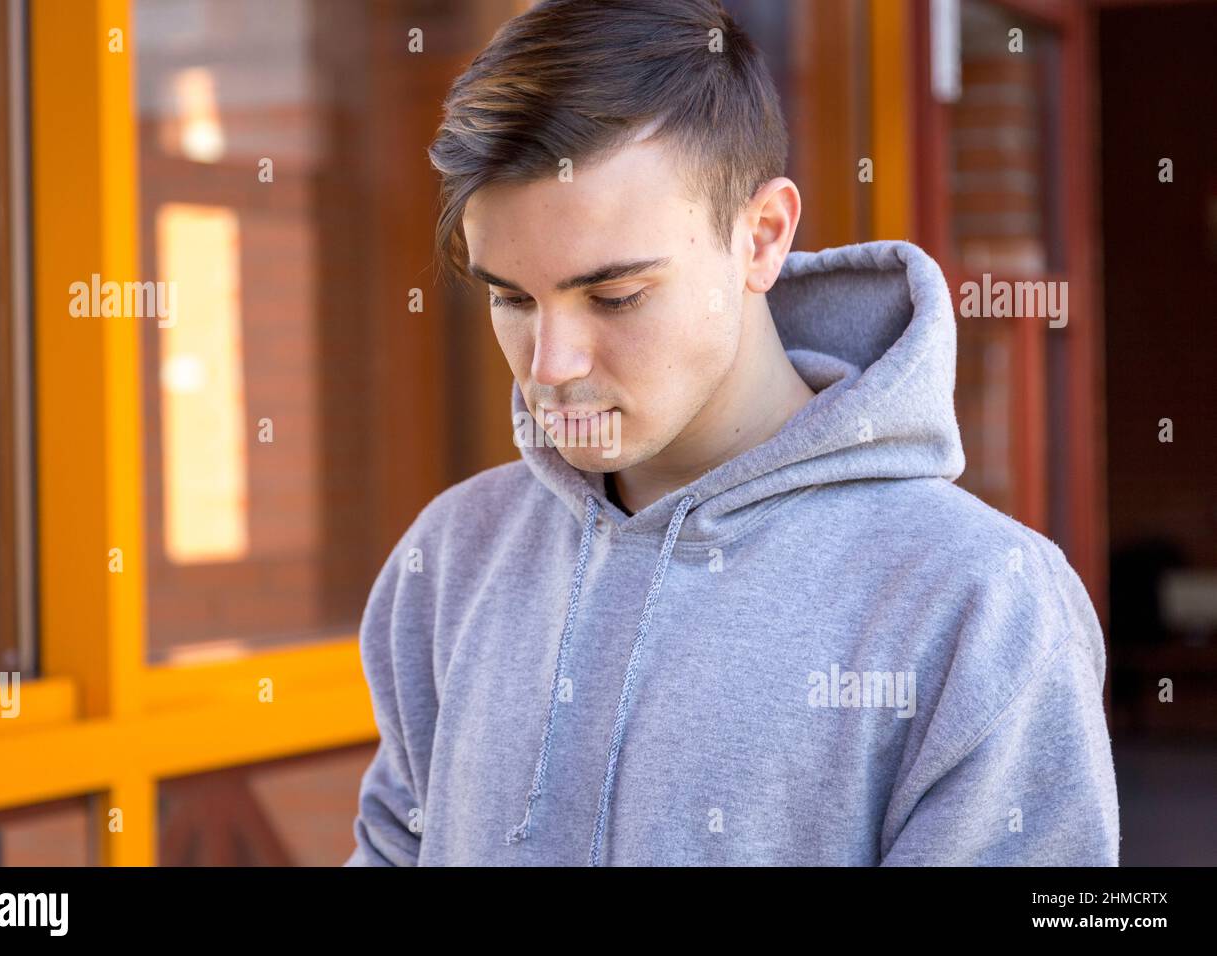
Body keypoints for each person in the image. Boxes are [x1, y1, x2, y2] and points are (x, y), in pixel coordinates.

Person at [345, 0, 1119, 866]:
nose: (551, 364)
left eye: (616, 296)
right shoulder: (453, 557)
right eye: (511, 298)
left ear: (762, 237)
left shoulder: (981, 602)